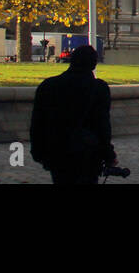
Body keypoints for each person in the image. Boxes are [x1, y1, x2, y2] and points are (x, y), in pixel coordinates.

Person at [30, 45, 117, 184]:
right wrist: (108, 154)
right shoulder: (98, 88)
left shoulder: (48, 86)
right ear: (93, 64)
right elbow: (102, 125)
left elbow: (38, 123)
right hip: (88, 153)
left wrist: (38, 152)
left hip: (57, 152)